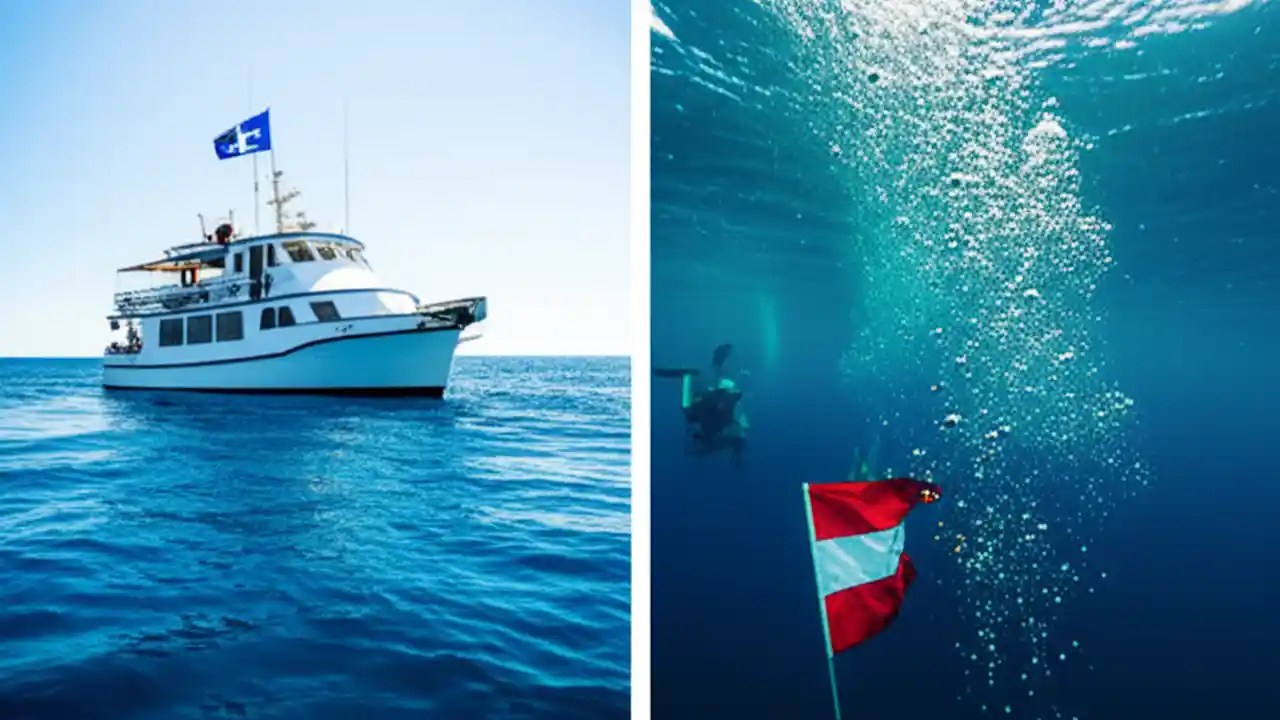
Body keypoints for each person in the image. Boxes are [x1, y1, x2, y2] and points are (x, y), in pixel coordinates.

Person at [655, 343, 749, 467]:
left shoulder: (726, 386)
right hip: (707, 418)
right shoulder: (718, 384)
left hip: (711, 421)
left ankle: (689, 380)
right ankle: (688, 379)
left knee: (736, 434)